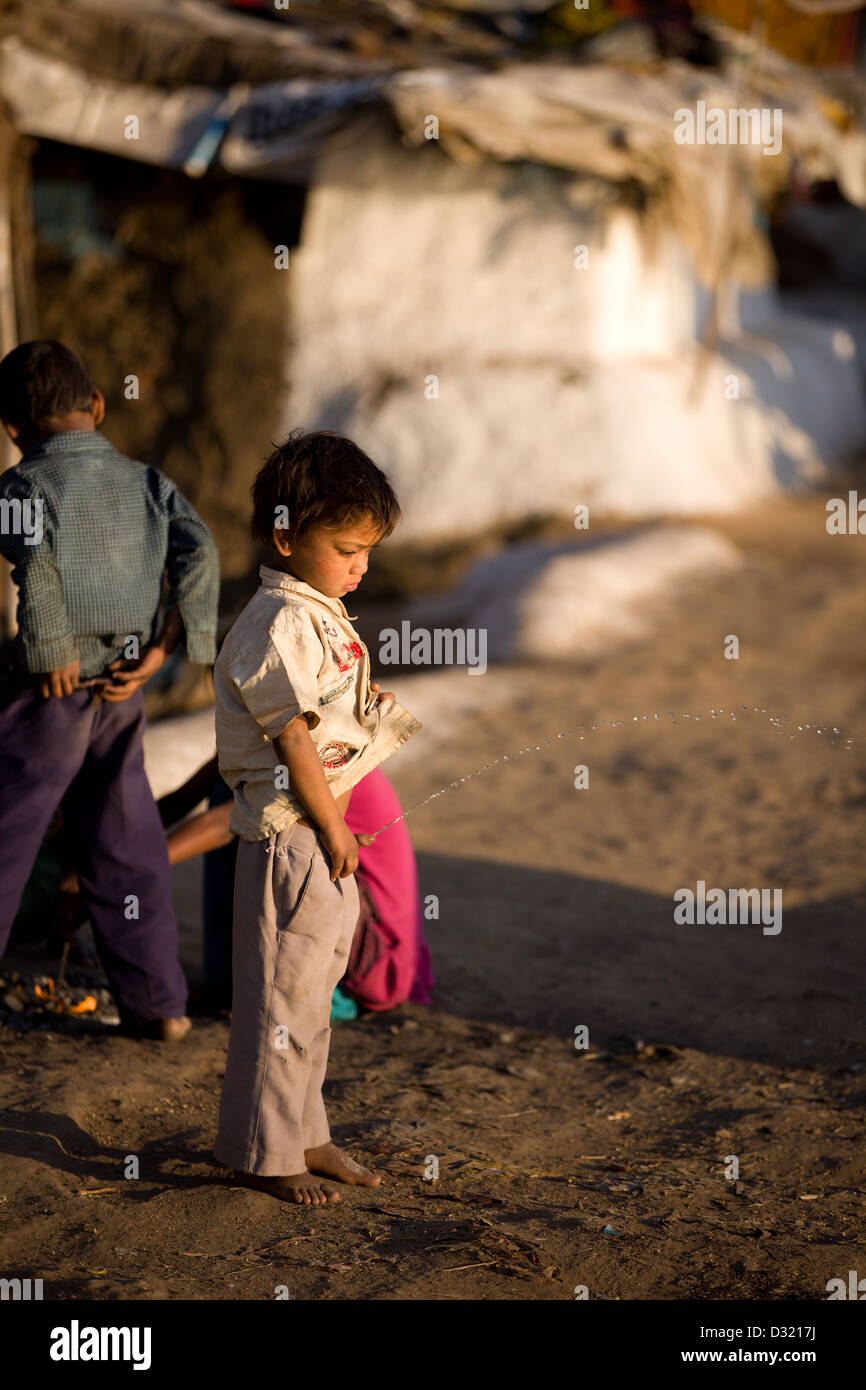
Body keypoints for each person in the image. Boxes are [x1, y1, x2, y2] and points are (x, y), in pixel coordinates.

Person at [212, 428, 421, 1204]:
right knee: (279, 1003)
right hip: (293, 838)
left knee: (313, 995)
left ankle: (309, 1133)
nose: (360, 567)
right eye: (346, 548)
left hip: (326, 834)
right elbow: (292, 733)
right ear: (285, 536)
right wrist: (333, 826)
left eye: (368, 551)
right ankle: (267, 1155)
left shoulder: (318, 608)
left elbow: (326, 714)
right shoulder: (274, 623)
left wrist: (370, 715)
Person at [0, 339, 219, 1041]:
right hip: (123, 688)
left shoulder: (18, 488)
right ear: (95, 405)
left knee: (7, 835)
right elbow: (202, 552)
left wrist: (49, 647)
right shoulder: (149, 483)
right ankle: (159, 1004)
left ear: (12, 430)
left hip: (49, 693)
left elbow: (35, 566)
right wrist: (167, 647)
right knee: (127, 841)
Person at [157, 758, 435, 1014]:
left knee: (260, 822)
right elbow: (181, 800)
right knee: (230, 788)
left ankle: (239, 985)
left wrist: (138, 871)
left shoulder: (325, 749)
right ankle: (230, 981)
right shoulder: (259, 737)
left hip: (375, 958)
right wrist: (121, 844)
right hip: (374, 941)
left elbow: (226, 822)